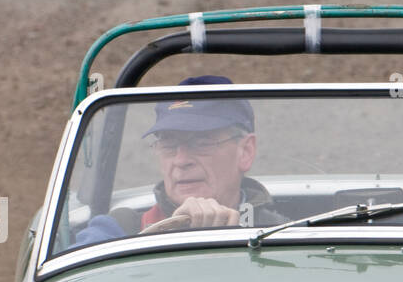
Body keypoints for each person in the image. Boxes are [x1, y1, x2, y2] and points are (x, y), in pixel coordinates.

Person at [75, 75, 285, 246]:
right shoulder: (120, 230)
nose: (181, 160)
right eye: (168, 144)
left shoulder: (282, 235)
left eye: (202, 143)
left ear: (245, 151)